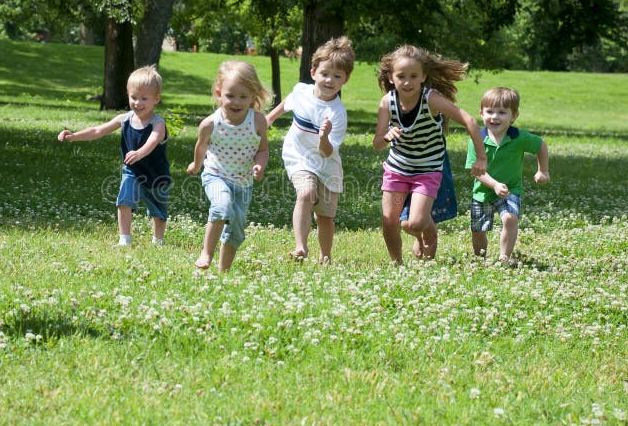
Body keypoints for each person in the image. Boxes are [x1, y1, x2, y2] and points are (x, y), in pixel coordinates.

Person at [374, 45, 487, 264]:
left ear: (423, 77)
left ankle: (429, 231)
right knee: (389, 220)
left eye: (413, 76)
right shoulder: (387, 103)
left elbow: (470, 121)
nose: (407, 82)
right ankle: (397, 264)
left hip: (427, 170)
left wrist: (481, 157)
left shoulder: (431, 99)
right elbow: (377, 143)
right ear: (391, 77)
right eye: (401, 76)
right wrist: (387, 136)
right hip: (398, 169)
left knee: (415, 223)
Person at [58, 66, 170, 247]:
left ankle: (158, 241)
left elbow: (153, 140)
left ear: (156, 99)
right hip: (132, 170)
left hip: (156, 174)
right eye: (133, 97)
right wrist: (74, 136)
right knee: (124, 200)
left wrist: (140, 152)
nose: (137, 103)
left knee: (158, 211)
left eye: (144, 98)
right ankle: (124, 240)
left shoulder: (158, 123)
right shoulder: (124, 119)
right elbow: (98, 130)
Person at [266, 36, 355, 265]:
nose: (329, 80)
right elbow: (289, 101)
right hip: (298, 156)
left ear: (345, 79)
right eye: (325, 73)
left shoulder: (337, 113)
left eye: (337, 76)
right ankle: (300, 246)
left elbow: (327, 152)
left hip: (326, 164)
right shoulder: (302, 91)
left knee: (325, 217)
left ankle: (325, 256)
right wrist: (270, 118)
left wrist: (324, 136)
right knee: (305, 194)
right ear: (313, 71)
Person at [187, 60, 270, 271]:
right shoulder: (210, 124)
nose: (237, 102)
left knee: (237, 228)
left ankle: (223, 271)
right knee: (221, 206)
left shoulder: (258, 121)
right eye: (230, 95)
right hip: (216, 175)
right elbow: (201, 146)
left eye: (243, 96)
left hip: (243, 183)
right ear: (219, 93)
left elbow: (262, 150)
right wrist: (196, 165)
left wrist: (260, 165)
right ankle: (206, 253)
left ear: (253, 96)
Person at [467, 87, 550, 262]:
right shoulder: (476, 139)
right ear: (481, 113)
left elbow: (540, 145)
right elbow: (477, 172)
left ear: (514, 116)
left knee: (510, 219)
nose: (495, 117)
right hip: (482, 191)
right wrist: (494, 185)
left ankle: (504, 258)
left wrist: (543, 170)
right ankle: (479, 259)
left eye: (502, 112)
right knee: (479, 230)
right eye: (489, 111)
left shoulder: (519, 137)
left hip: (510, 188)